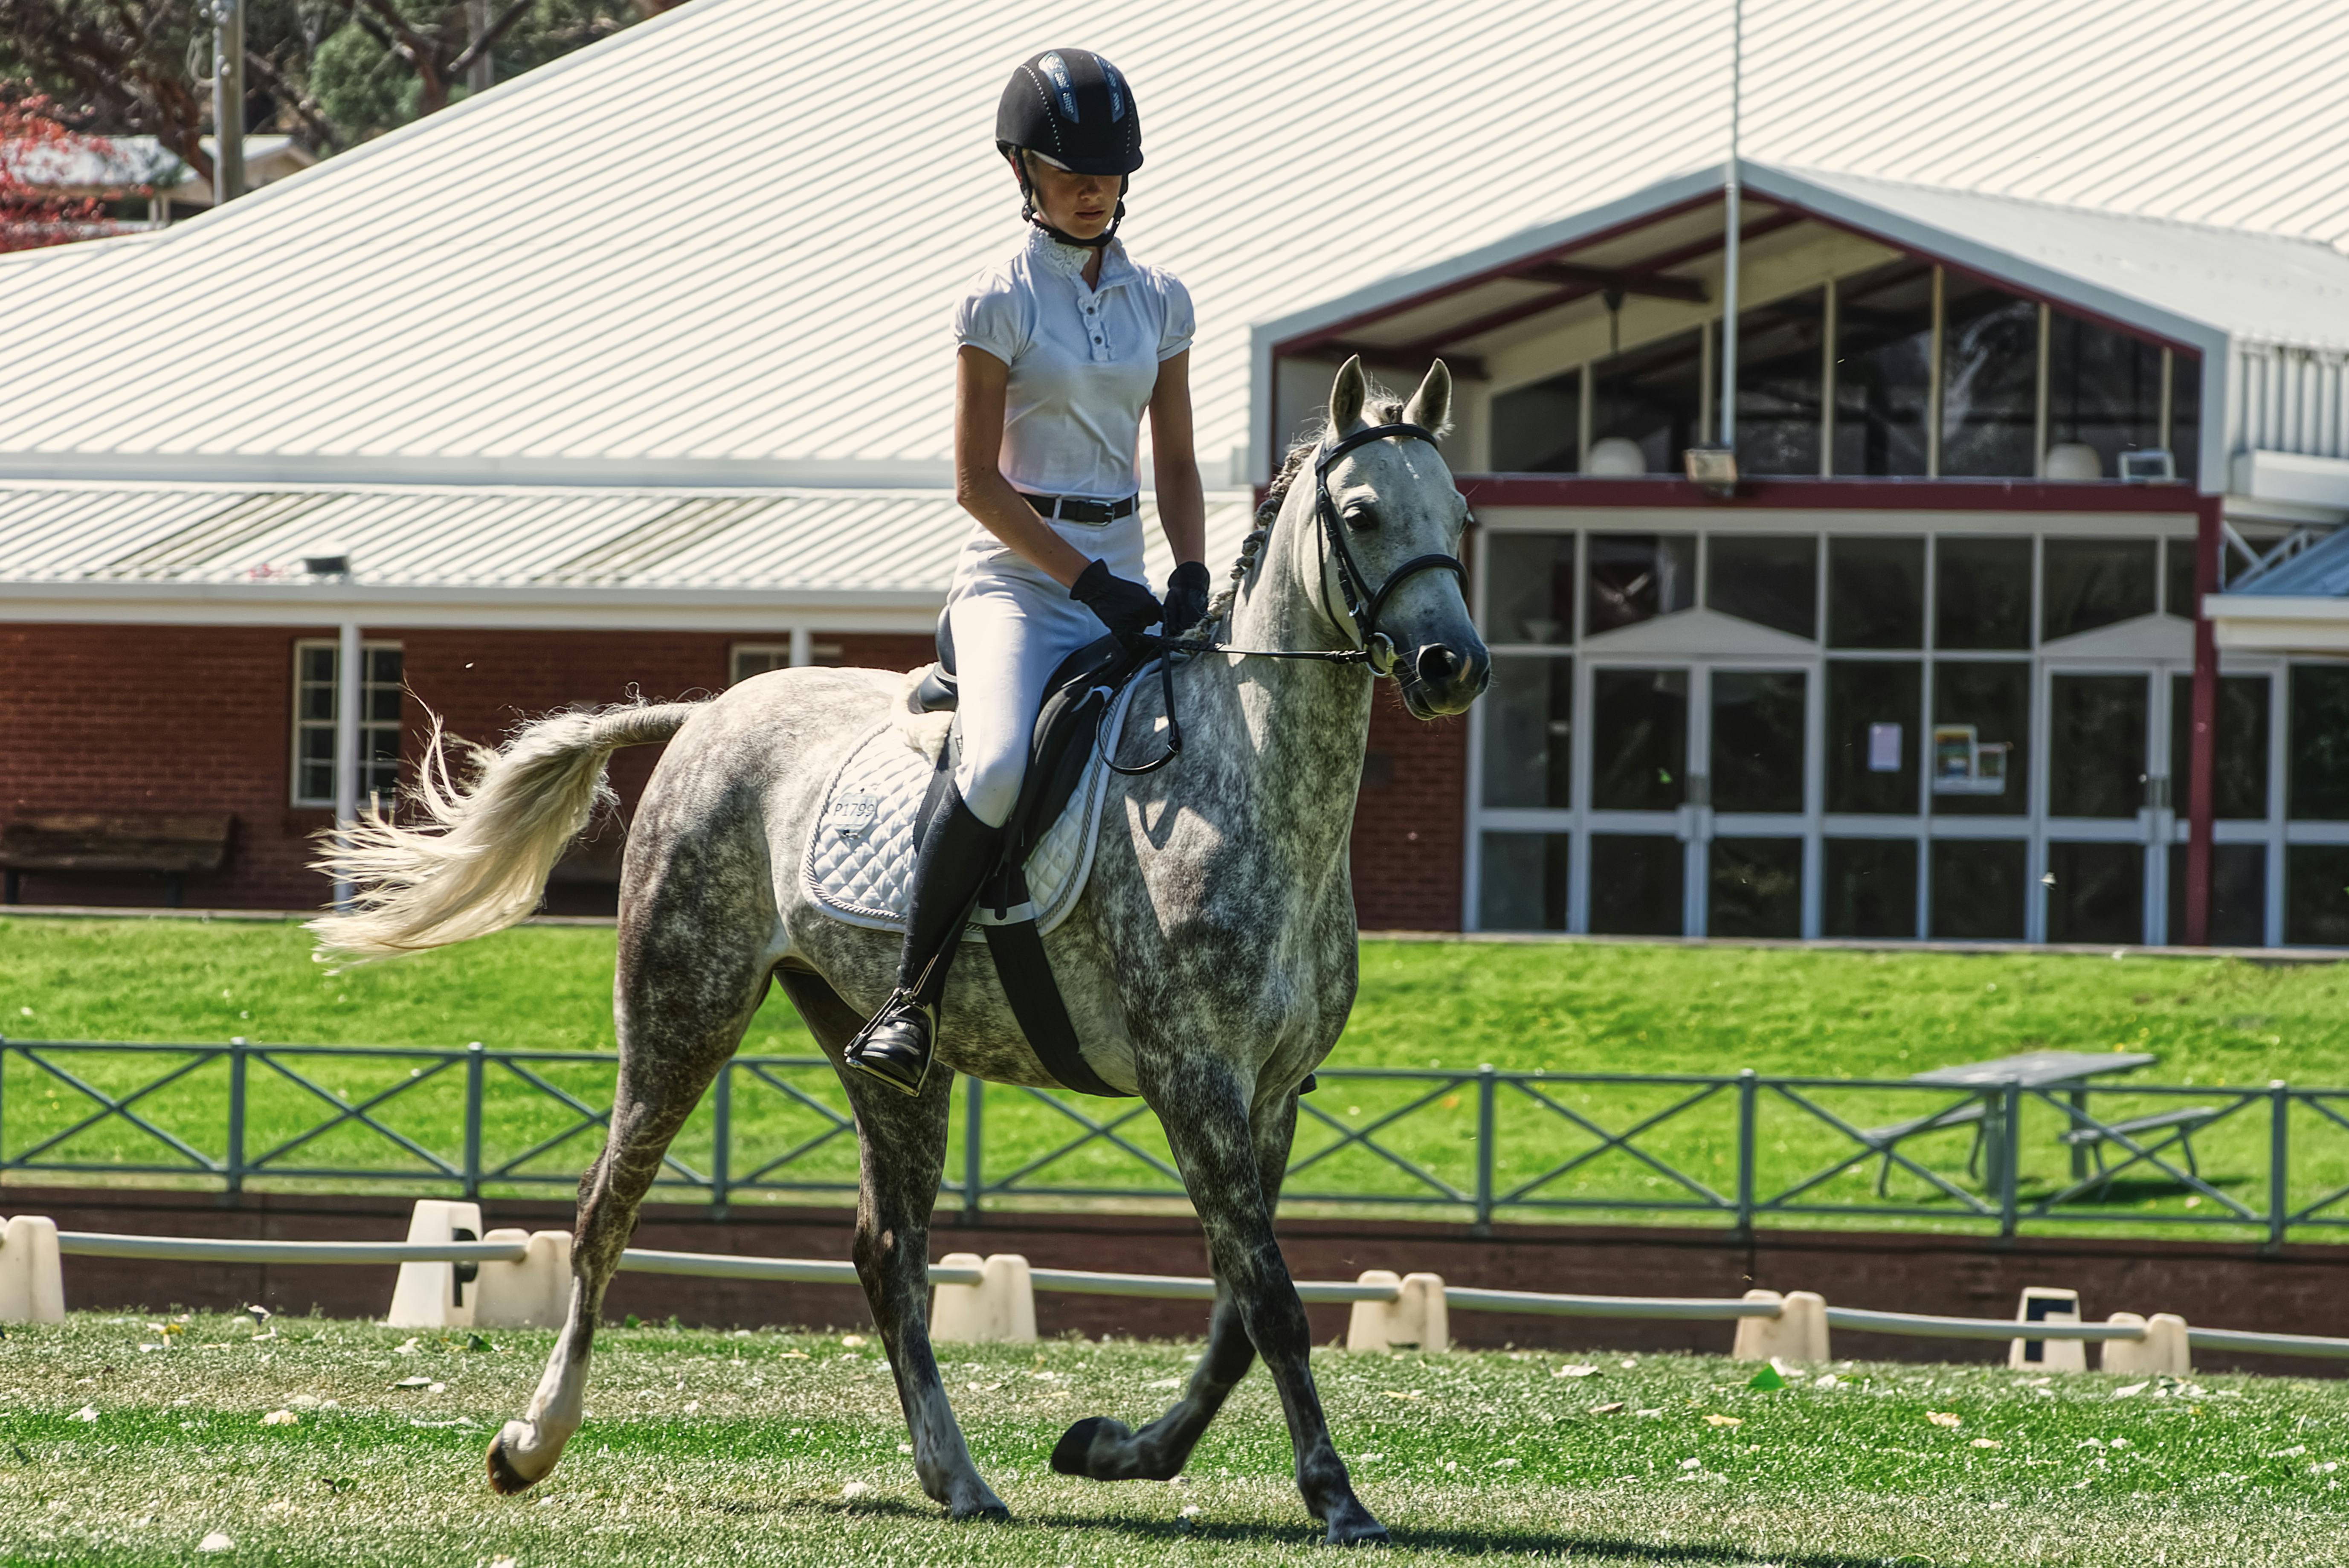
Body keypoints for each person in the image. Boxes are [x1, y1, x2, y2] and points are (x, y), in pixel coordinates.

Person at [844, 48, 1211, 1096]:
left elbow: (1177, 463)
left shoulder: (1162, 301)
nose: (1092, 190)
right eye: (1069, 172)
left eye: (1107, 172)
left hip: (1130, 576)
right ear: (1023, 171)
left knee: (1214, 755)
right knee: (1000, 764)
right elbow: (975, 481)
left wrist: (1189, 573)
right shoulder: (996, 300)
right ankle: (911, 1000)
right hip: (1015, 582)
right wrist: (1086, 584)